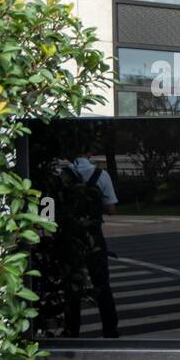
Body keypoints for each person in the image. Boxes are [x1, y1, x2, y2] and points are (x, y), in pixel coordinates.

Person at [62, 145, 119, 339]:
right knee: (102, 283)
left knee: (71, 286)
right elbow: (111, 208)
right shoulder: (101, 175)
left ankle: (72, 330)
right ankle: (110, 330)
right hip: (94, 235)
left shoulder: (61, 175)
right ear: (90, 152)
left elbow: (51, 206)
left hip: (69, 237)